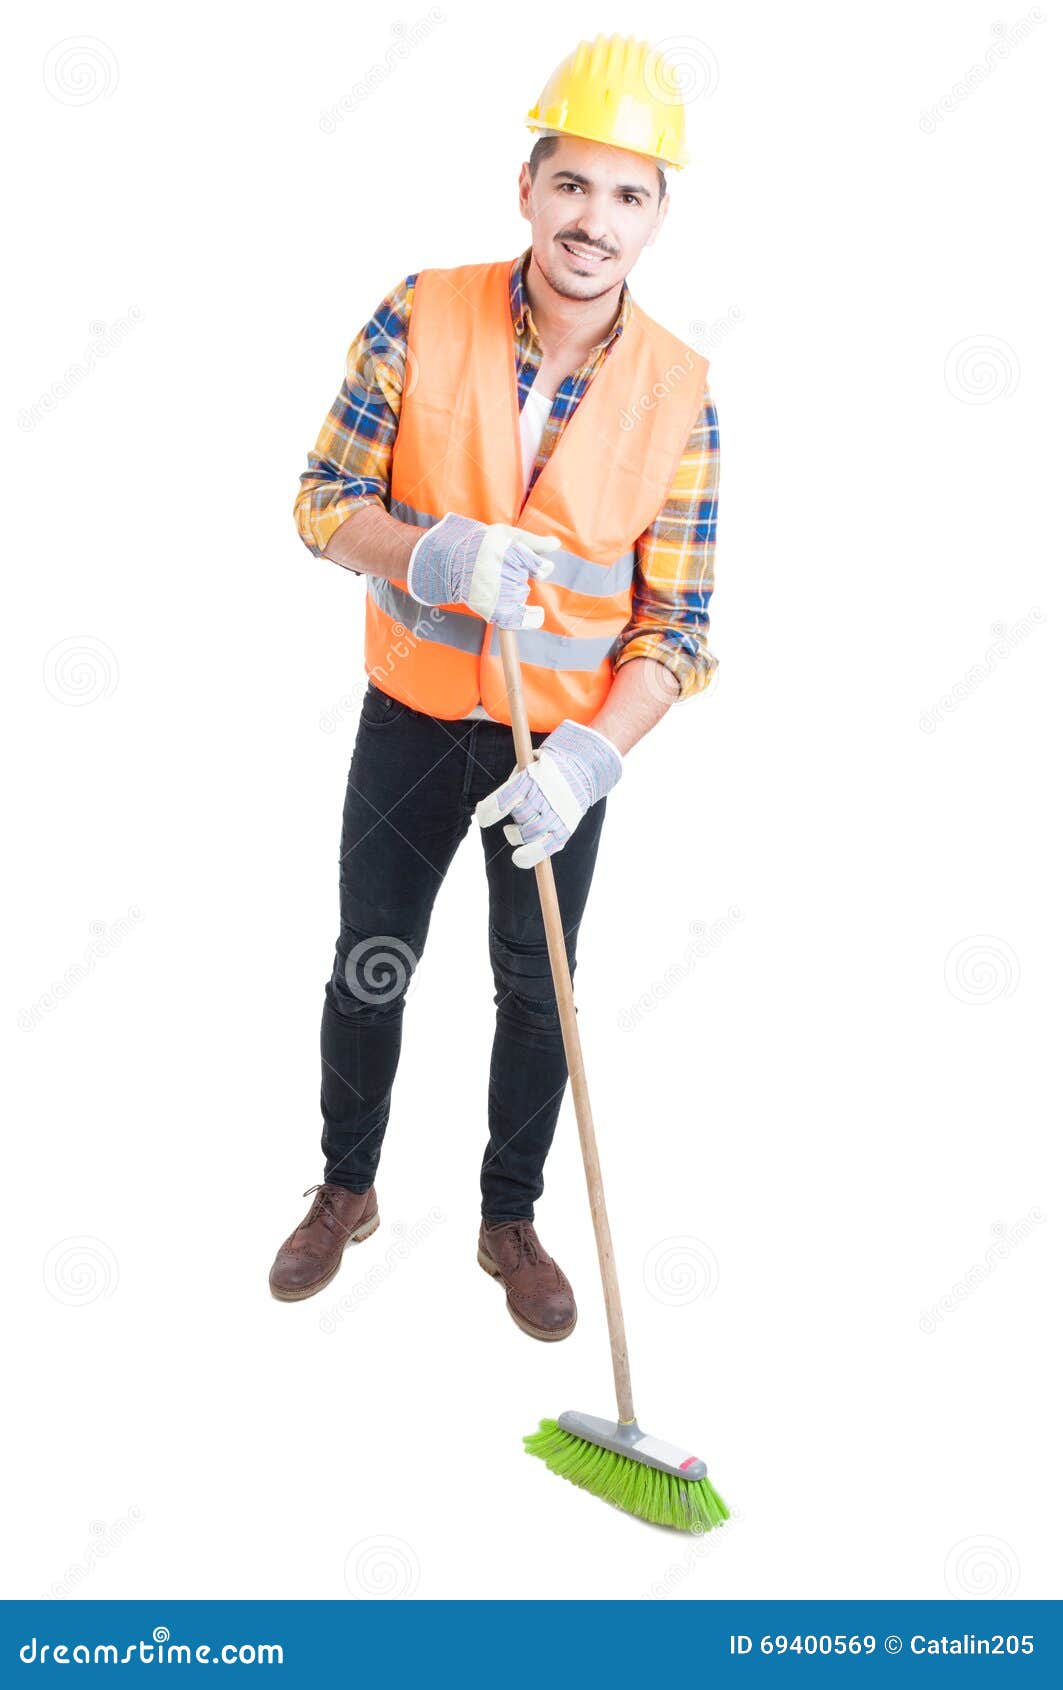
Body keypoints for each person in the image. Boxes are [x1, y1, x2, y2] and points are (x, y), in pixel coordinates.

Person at [269, 34, 720, 1341]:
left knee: (542, 991)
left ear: (658, 216)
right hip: (412, 713)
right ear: (528, 188)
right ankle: (345, 1186)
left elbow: (678, 628)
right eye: (573, 185)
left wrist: (592, 762)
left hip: (557, 745)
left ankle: (508, 1215)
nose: (595, 220)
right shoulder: (421, 308)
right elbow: (318, 500)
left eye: (627, 194)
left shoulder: (680, 394)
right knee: (371, 963)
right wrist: (427, 552)